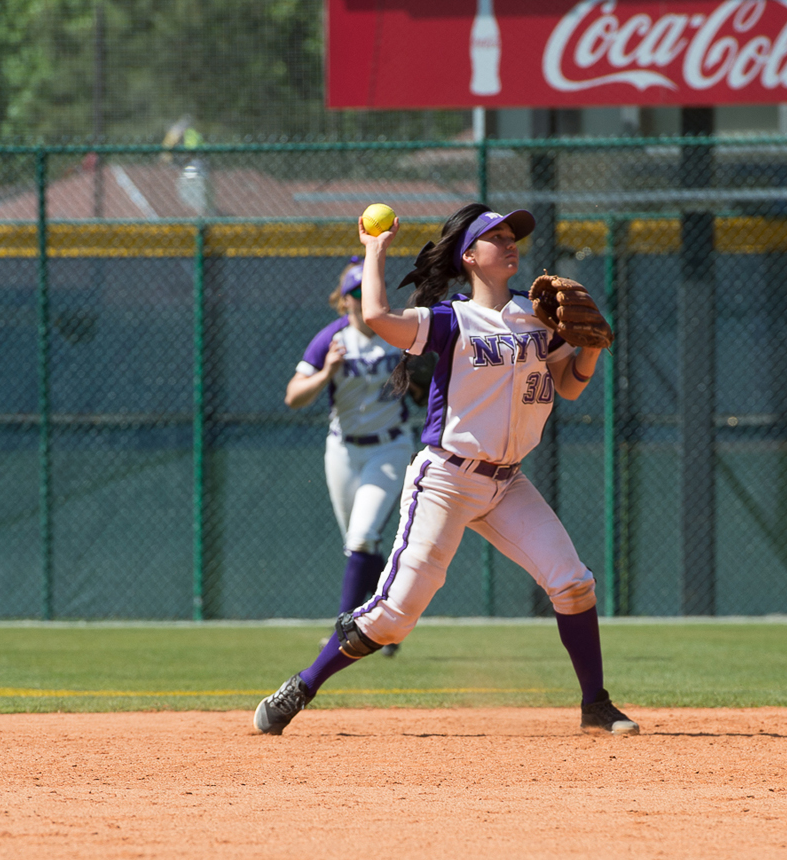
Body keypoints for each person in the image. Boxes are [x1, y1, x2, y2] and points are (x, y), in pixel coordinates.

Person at [254, 204, 638, 737]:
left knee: (573, 584)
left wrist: (590, 350)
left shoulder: (539, 316)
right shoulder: (449, 319)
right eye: (495, 237)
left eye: (512, 236)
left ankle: (596, 704)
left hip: (509, 483)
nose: (509, 243)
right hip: (446, 480)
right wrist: (374, 250)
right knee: (393, 619)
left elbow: (568, 384)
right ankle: (303, 684)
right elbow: (382, 319)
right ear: (469, 257)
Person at [286, 257, 414, 654]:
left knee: (362, 538)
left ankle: (344, 631)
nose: (360, 299)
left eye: (366, 291)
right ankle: (383, 630)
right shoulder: (332, 339)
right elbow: (293, 396)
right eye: (354, 293)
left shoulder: (396, 332)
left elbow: (430, 376)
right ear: (343, 301)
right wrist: (326, 371)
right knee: (360, 544)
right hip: (342, 450)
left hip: (390, 447)